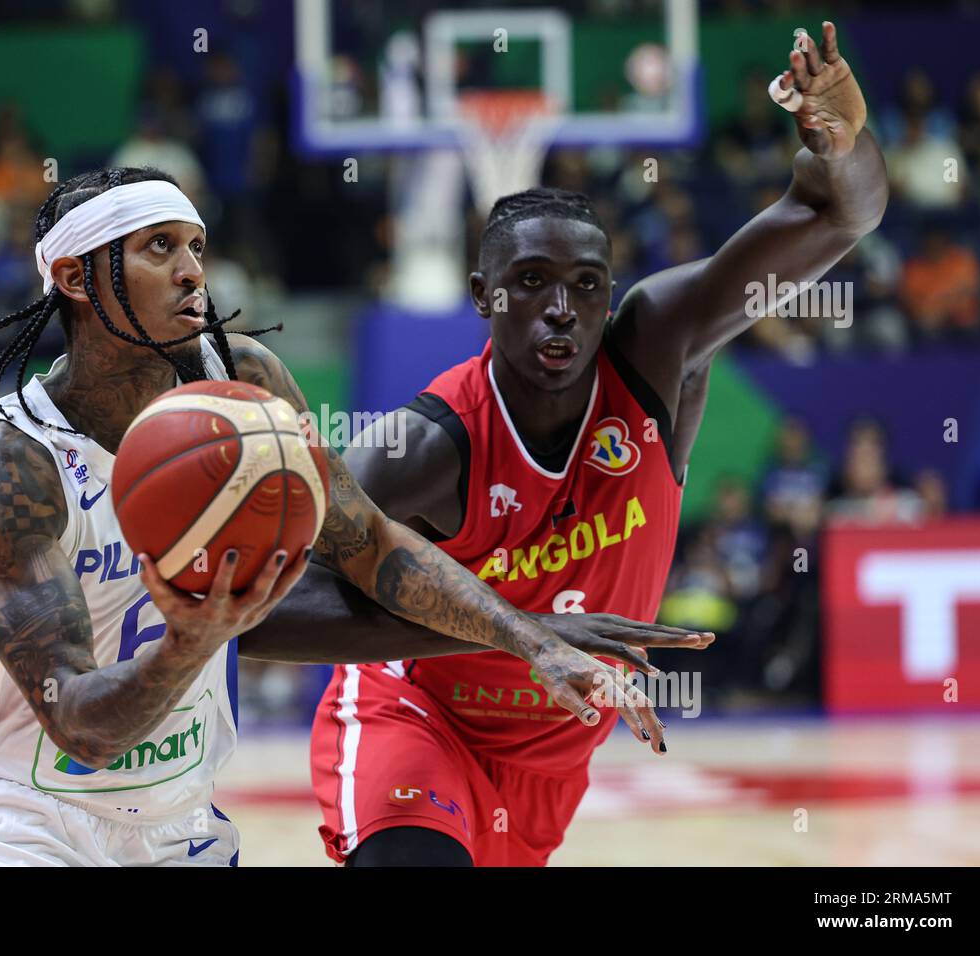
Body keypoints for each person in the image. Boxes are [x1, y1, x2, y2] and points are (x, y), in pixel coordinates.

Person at [0, 166, 696, 867]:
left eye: (196, 245)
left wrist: (531, 637)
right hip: (20, 823)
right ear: (79, 279)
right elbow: (79, 725)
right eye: (158, 249)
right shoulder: (7, 463)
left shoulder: (243, 382)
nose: (192, 273)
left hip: (180, 826)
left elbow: (372, 547)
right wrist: (193, 643)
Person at [304, 21, 888, 866]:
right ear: (482, 296)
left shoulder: (657, 350)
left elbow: (841, 212)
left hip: (549, 767)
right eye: (529, 282)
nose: (560, 309)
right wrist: (516, 631)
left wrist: (843, 144)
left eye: (585, 286)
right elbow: (268, 613)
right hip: (411, 717)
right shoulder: (423, 448)